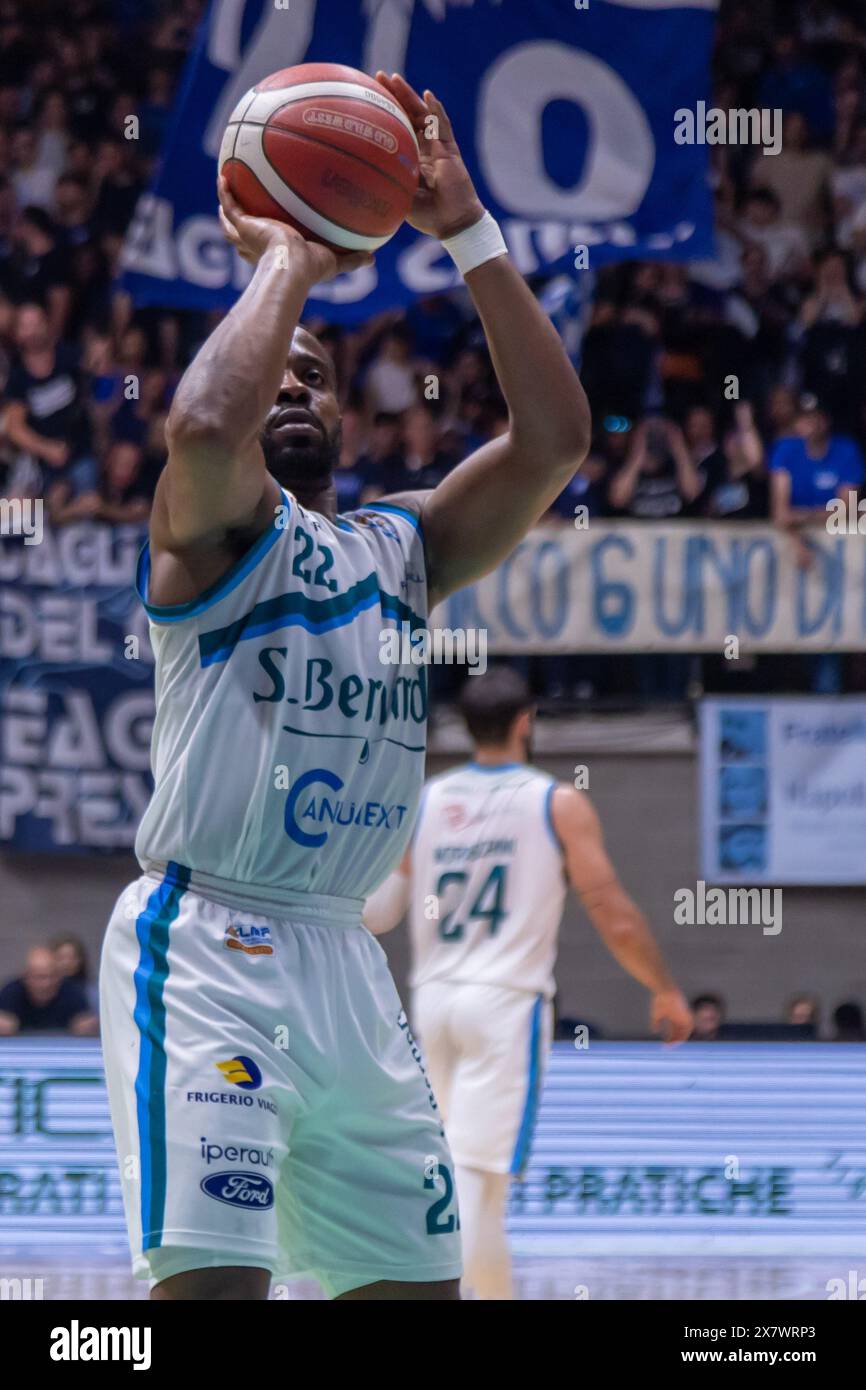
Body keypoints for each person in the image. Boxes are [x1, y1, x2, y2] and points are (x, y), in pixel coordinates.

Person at [98, 76, 592, 1304]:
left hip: (350, 965)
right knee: (213, 1298)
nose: (293, 388)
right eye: (278, 371)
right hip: (208, 941)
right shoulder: (205, 532)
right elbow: (207, 427)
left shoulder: (402, 549)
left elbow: (555, 440)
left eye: (316, 377)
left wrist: (467, 229)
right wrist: (289, 261)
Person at [363, 667, 693, 1299]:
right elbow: (613, 913)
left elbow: (380, 912)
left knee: (445, 1173)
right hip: (505, 1001)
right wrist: (664, 988)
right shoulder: (555, 801)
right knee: (481, 1180)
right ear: (526, 722)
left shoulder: (427, 799)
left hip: (430, 1000)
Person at [0, 946, 97, 1036]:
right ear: (26, 977)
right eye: (40, 977)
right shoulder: (10, 993)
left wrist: (88, 1026)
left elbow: (86, 1021)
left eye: (52, 976)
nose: (47, 983)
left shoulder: (73, 992)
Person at [53, 934, 100, 1015]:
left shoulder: (91, 992)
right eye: (61, 958)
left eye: (71, 958)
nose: (66, 963)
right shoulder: (45, 993)